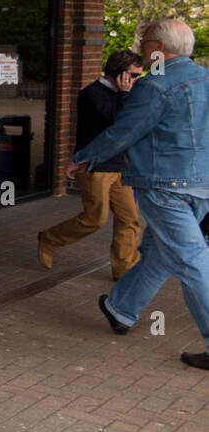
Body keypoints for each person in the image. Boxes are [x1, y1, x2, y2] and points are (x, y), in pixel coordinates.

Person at [66, 19, 209, 370]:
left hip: (165, 188)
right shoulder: (205, 78)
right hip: (201, 187)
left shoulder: (155, 85)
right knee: (162, 252)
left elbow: (124, 131)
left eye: (145, 41)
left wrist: (85, 158)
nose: (142, 48)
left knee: (192, 260)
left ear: (159, 47)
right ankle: (121, 308)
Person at [38, 50, 144, 279]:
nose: (136, 81)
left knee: (130, 219)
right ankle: (50, 238)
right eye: (133, 76)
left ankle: (124, 269)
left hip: (121, 166)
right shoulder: (92, 93)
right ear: (119, 74)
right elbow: (117, 123)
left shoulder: (123, 94)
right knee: (95, 219)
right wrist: (126, 95)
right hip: (95, 166)